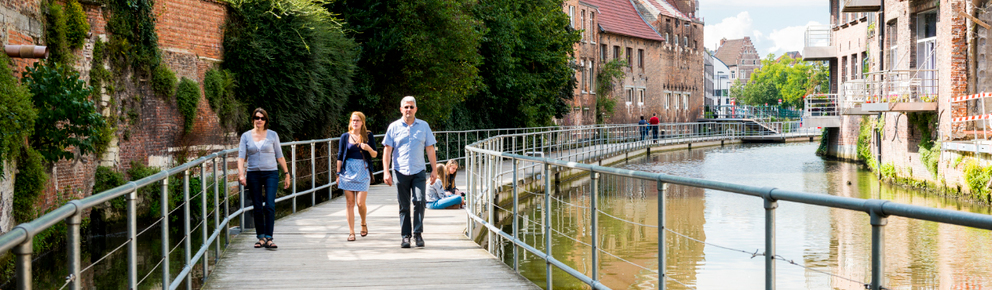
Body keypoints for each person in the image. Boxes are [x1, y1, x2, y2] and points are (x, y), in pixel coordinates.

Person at [382, 96, 439, 248]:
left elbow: (430, 149)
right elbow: (387, 151)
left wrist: (434, 169)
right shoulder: (393, 127)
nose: (408, 110)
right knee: (404, 205)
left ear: (416, 109)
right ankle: (405, 236)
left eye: (411, 107)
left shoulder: (424, 126)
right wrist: (386, 172)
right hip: (400, 171)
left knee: (420, 201)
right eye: (406, 107)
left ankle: (418, 234)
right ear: (401, 109)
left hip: (418, 170)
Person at [237, 108, 291, 249]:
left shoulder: (273, 135)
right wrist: (241, 174)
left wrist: (287, 174)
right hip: (253, 174)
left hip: (271, 173)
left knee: (270, 205)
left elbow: (279, 155)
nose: (259, 120)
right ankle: (260, 237)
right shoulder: (246, 136)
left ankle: (269, 237)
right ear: (253, 119)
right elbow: (241, 156)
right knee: (257, 206)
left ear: (266, 120)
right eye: (256, 117)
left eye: (262, 118)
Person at [336, 112, 378, 242]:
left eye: (358, 120)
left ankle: (363, 222)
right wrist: (338, 174)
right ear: (350, 122)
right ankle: (351, 232)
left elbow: (375, 154)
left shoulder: (368, 135)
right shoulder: (345, 137)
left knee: (360, 203)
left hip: (363, 170)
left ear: (362, 122)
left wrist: (368, 148)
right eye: (353, 120)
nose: (355, 122)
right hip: (347, 171)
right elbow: (340, 155)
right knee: (350, 203)